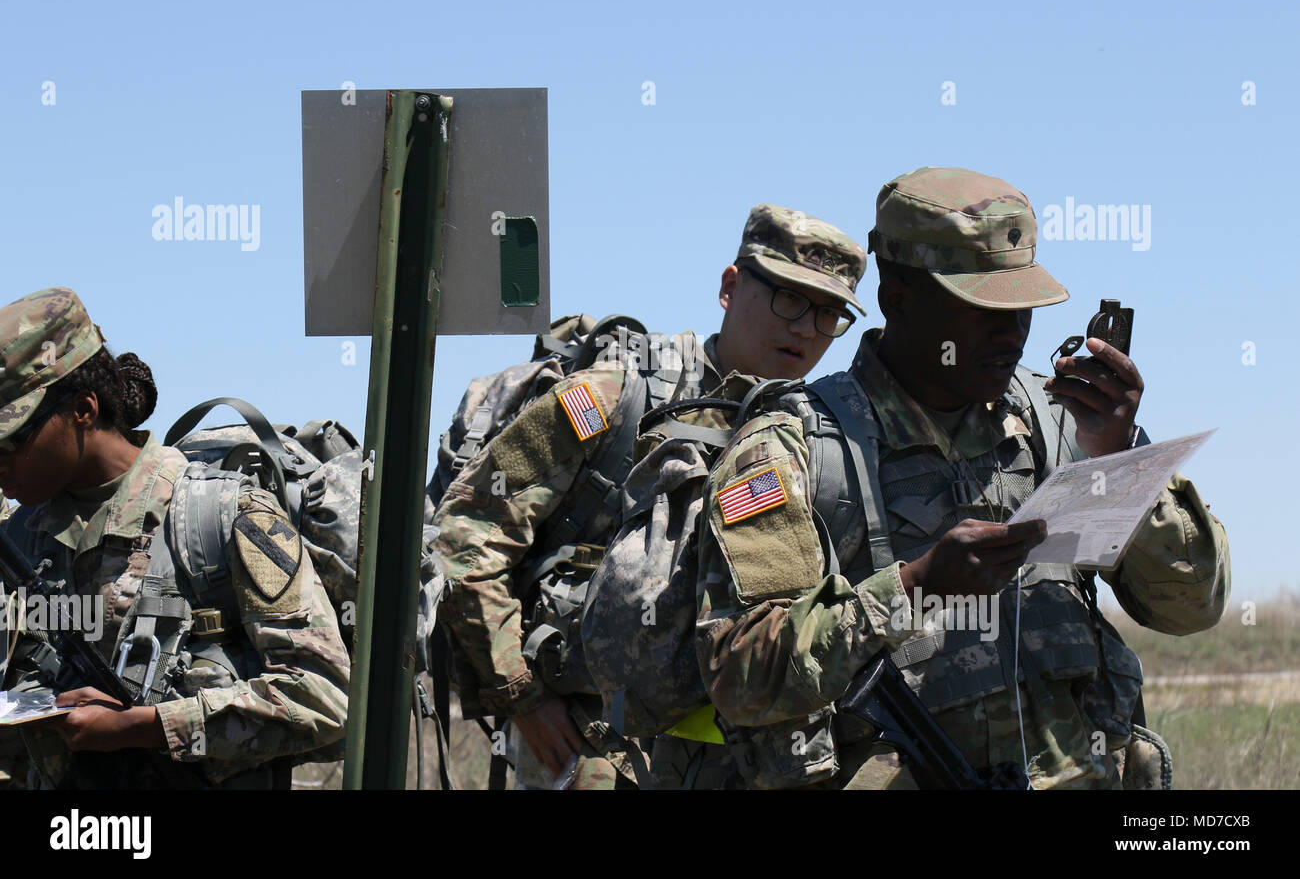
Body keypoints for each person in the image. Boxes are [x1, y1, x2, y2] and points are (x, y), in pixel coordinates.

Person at [694, 167, 1230, 789]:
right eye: (983, 308)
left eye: (1022, 305)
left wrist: (1121, 458)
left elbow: (1193, 605)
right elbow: (742, 677)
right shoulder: (794, 451)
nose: (1013, 332)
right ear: (897, 295)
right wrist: (912, 590)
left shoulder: (1062, 425)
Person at [428, 204, 867, 788]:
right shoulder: (619, 392)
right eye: (788, 298)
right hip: (595, 745)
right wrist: (522, 694)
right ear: (730, 288)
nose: (806, 329)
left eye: (829, 314)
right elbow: (468, 529)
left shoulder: (811, 433)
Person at [0, 287, 350, 788]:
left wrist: (143, 728)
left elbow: (323, 697)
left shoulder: (224, 515)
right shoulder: (16, 542)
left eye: (9, 440)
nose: (0, 465)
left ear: (82, 409)